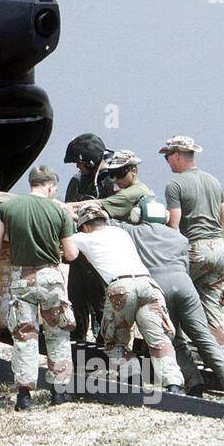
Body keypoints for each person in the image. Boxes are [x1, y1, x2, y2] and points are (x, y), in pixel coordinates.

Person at [65, 203, 184, 394]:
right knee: (158, 339)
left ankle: (132, 377)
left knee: (114, 340)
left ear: (85, 226)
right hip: (149, 286)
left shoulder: (83, 237)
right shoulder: (121, 233)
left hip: (121, 288)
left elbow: (68, 253)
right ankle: (174, 384)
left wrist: (67, 217)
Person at [117, 219, 224, 400]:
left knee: (174, 339)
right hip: (185, 285)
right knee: (203, 336)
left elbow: (108, 222)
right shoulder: (179, 237)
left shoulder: (134, 231)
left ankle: (195, 383)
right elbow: (187, 265)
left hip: (159, 287)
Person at [0, 165, 76, 412]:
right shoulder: (59, 211)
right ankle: (58, 393)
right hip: (51, 278)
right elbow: (71, 253)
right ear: (49, 186)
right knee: (57, 333)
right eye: (54, 189)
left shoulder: (8, 207)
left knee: (24, 337)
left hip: (20, 278)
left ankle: (24, 397)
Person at [159, 135, 224, 345]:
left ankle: (176, 348)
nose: (167, 161)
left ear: (178, 156)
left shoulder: (175, 185)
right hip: (219, 248)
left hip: (195, 248)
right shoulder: (214, 181)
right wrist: (220, 244)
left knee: (172, 296)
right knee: (212, 309)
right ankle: (219, 356)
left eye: (168, 156)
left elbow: (174, 224)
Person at [62, 133, 114, 343]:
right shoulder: (78, 181)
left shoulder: (110, 181)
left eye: (79, 162)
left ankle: (105, 346)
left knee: (102, 302)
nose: (77, 166)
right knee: (76, 298)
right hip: (80, 252)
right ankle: (79, 346)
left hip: (101, 255)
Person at [93, 150, 156, 222]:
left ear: (133, 171)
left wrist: (77, 205)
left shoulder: (127, 194)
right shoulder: (142, 188)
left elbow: (96, 204)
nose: (114, 179)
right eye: (112, 174)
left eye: (119, 173)